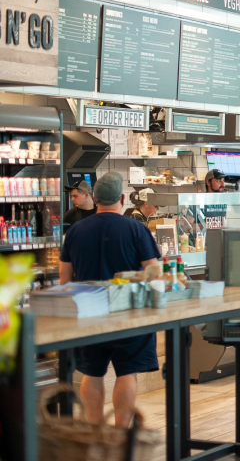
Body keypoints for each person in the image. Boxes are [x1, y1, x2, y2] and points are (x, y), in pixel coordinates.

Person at [59, 172, 161, 428]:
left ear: (94, 198)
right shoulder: (136, 228)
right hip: (128, 312)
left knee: (91, 372)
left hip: (89, 313)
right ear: (123, 198)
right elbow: (154, 273)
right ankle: (120, 433)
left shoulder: (75, 231)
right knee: (127, 372)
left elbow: (65, 279)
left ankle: (94, 432)